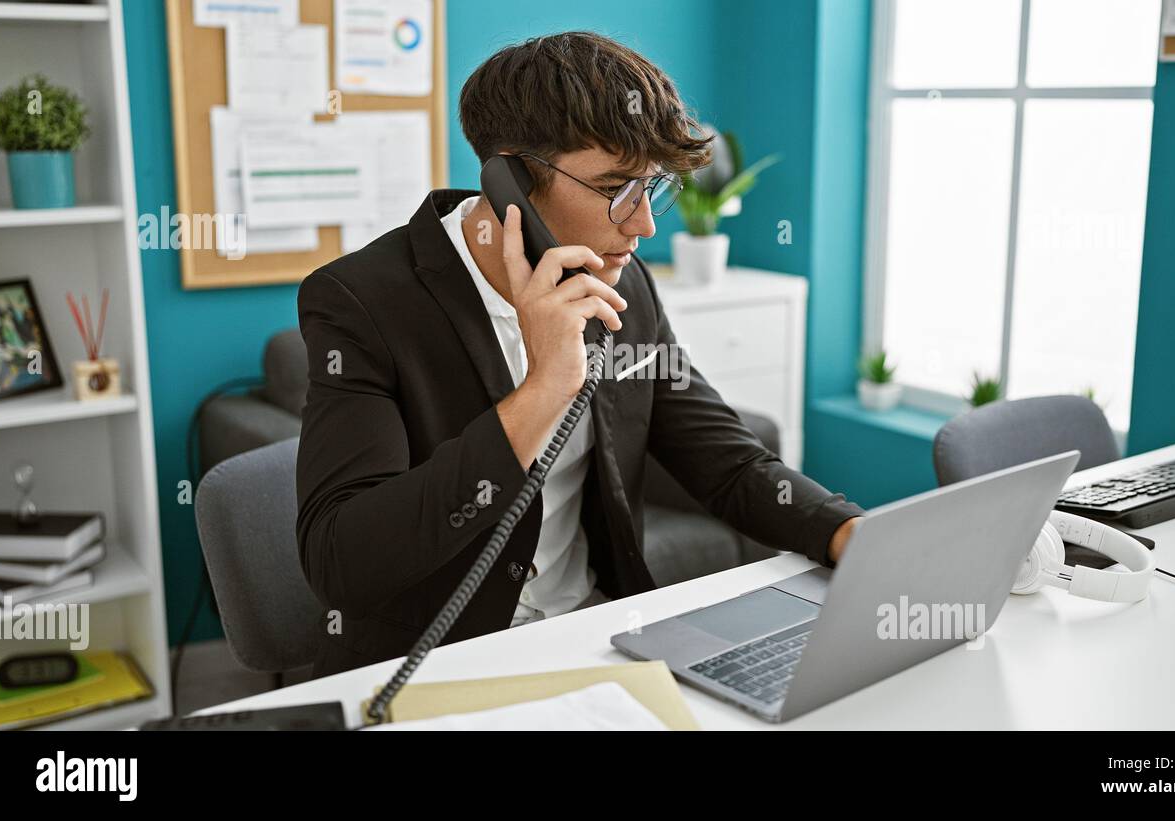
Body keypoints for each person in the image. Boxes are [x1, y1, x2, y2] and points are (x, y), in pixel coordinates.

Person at [296, 31, 865, 679]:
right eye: (618, 188)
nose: (645, 224)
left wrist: (848, 532)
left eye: (653, 188)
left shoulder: (623, 281)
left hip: (595, 636)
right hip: (438, 667)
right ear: (509, 180)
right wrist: (542, 390)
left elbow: (725, 461)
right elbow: (341, 562)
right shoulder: (361, 301)